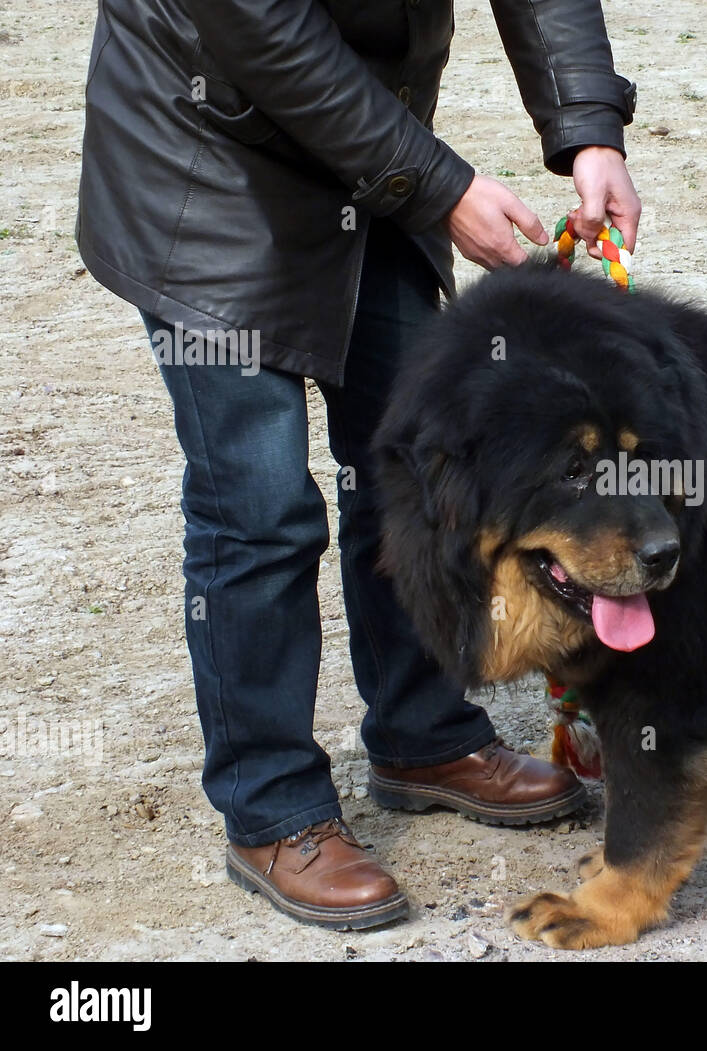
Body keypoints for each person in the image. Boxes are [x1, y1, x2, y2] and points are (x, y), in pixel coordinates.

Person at [75, 0, 640, 930]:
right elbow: (258, 24)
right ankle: (273, 808)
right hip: (204, 154)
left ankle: (424, 735)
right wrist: (442, 186)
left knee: (418, 466)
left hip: (368, 141)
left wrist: (588, 131)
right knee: (257, 508)